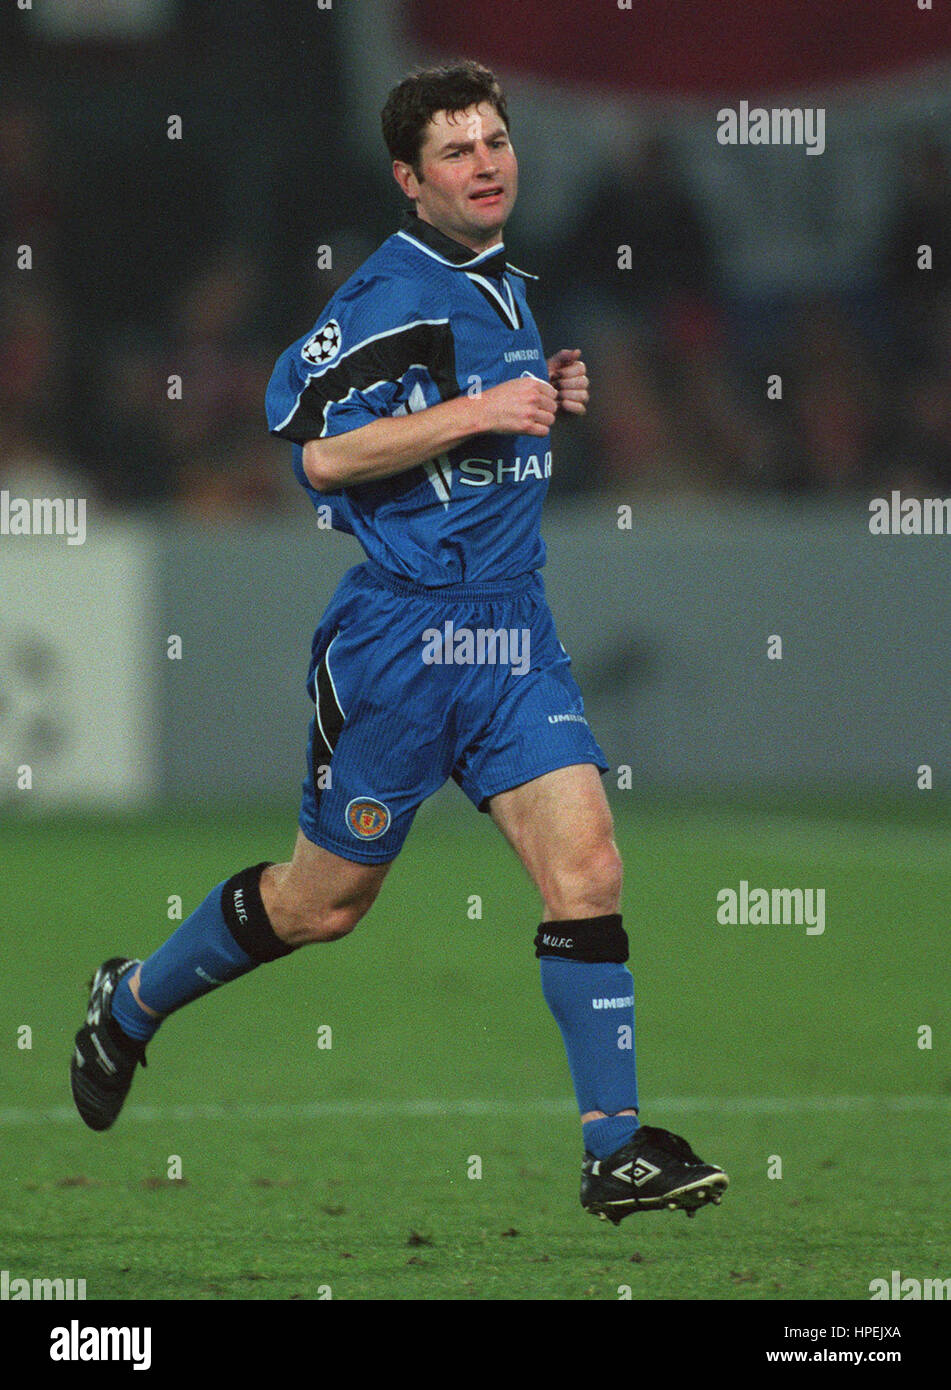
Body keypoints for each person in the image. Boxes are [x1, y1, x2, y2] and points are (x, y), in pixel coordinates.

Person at [71, 61, 727, 1224]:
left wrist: (539, 391)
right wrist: (481, 410)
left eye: (496, 142)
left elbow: (465, 419)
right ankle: (129, 1003)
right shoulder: (390, 292)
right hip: (403, 641)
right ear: (410, 181)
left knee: (590, 868)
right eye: (458, 152)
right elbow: (316, 449)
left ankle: (614, 1149)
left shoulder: (497, 280)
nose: (486, 163)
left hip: (513, 629)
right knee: (323, 903)